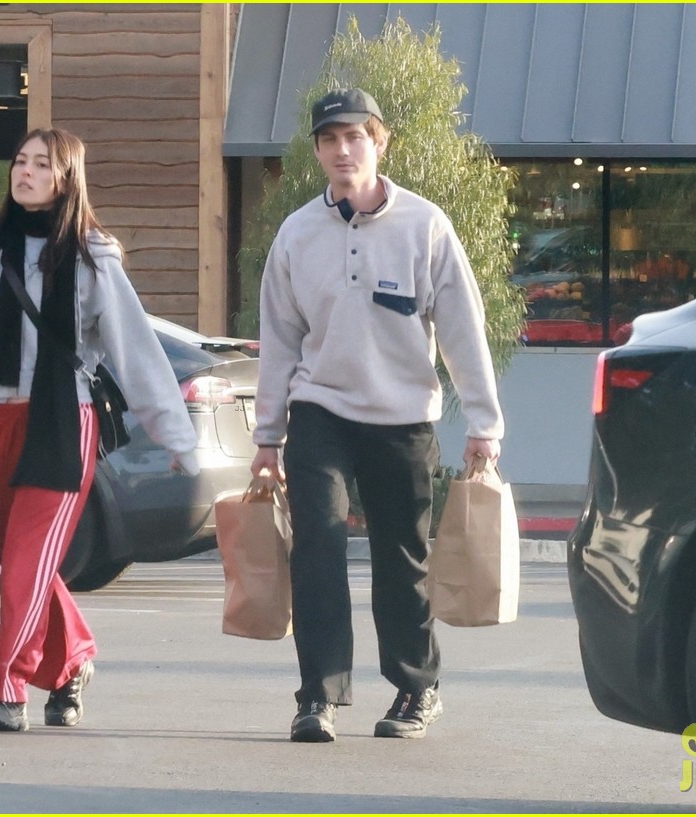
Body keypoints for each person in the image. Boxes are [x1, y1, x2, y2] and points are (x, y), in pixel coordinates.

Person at [250, 89, 505, 742]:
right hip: (320, 412)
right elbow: (279, 339)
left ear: (379, 142)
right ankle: (320, 696)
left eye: (354, 137)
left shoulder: (425, 226)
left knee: (402, 560)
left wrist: (484, 422)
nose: (342, 150)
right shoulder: (298, 234)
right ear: (317, 151)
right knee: (318, 550)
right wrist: (268, 436)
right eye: (329, 140)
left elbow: (462, 328)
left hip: (402, 418)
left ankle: (416, 689)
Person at [0, 127, 200, 732]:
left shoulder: (92, 259)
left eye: (42, 165)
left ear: (67, 178)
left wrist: (177, 438)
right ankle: (73, 657)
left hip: (63, 420)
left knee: (24, 561)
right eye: (20, 161)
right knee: (30, 561)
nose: (25, 173)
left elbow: (136, 352)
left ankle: (7, 686)